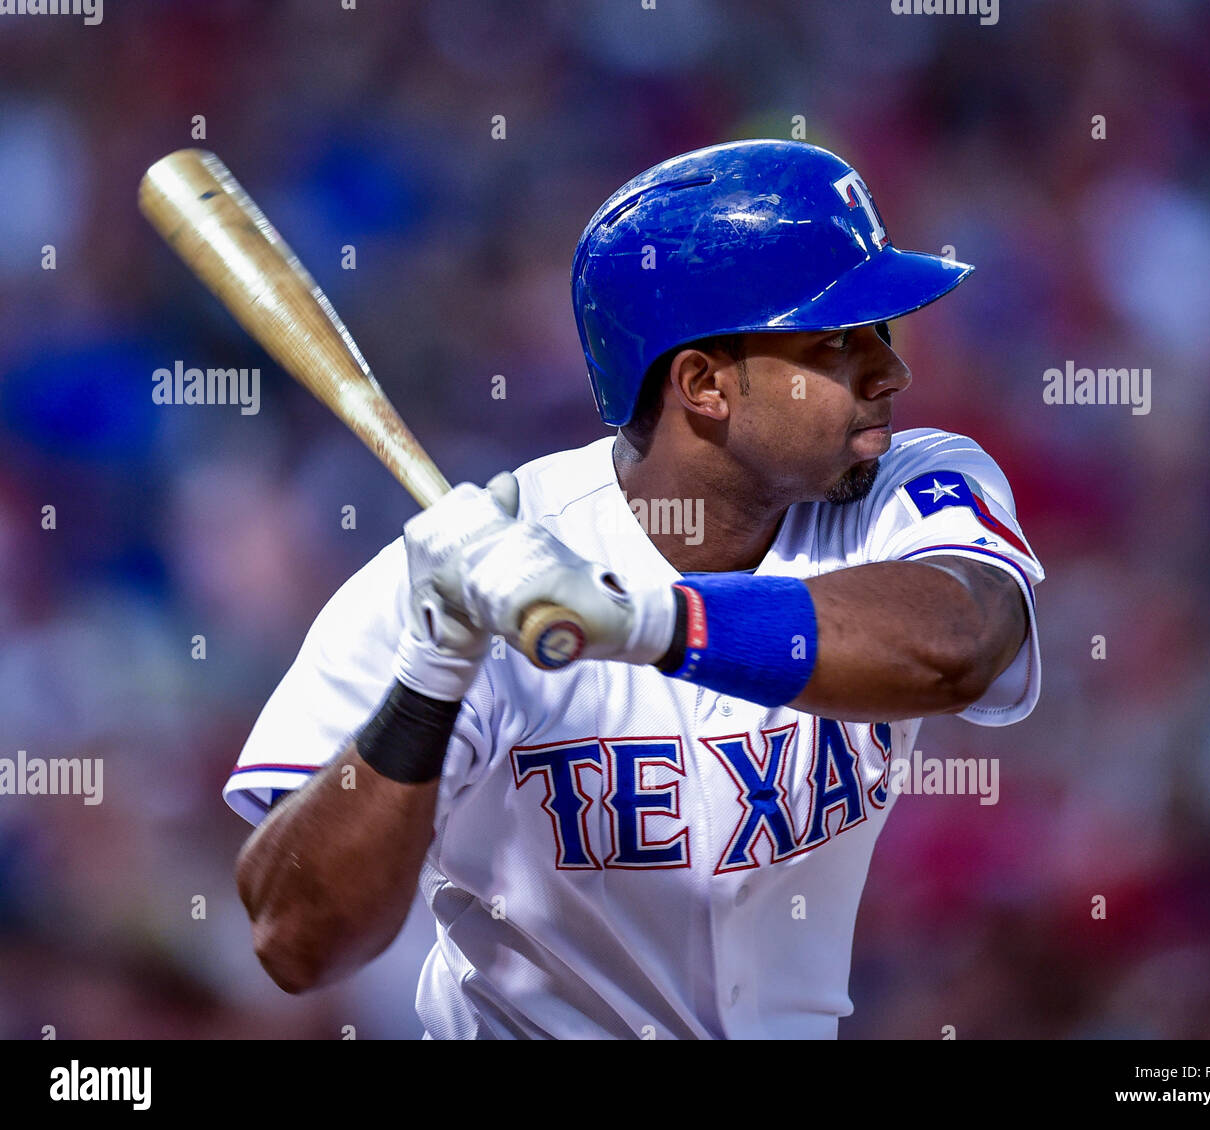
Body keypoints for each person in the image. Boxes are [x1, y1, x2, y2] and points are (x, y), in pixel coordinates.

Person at [225, 139, 1045, 1039]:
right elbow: (296, 942)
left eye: (881, 334)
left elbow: (959, 645)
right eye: (837, 343)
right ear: (703, 386)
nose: (892, 373)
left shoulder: (904, 485)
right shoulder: (456, 578)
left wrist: (643, 621)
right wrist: (431, 675)